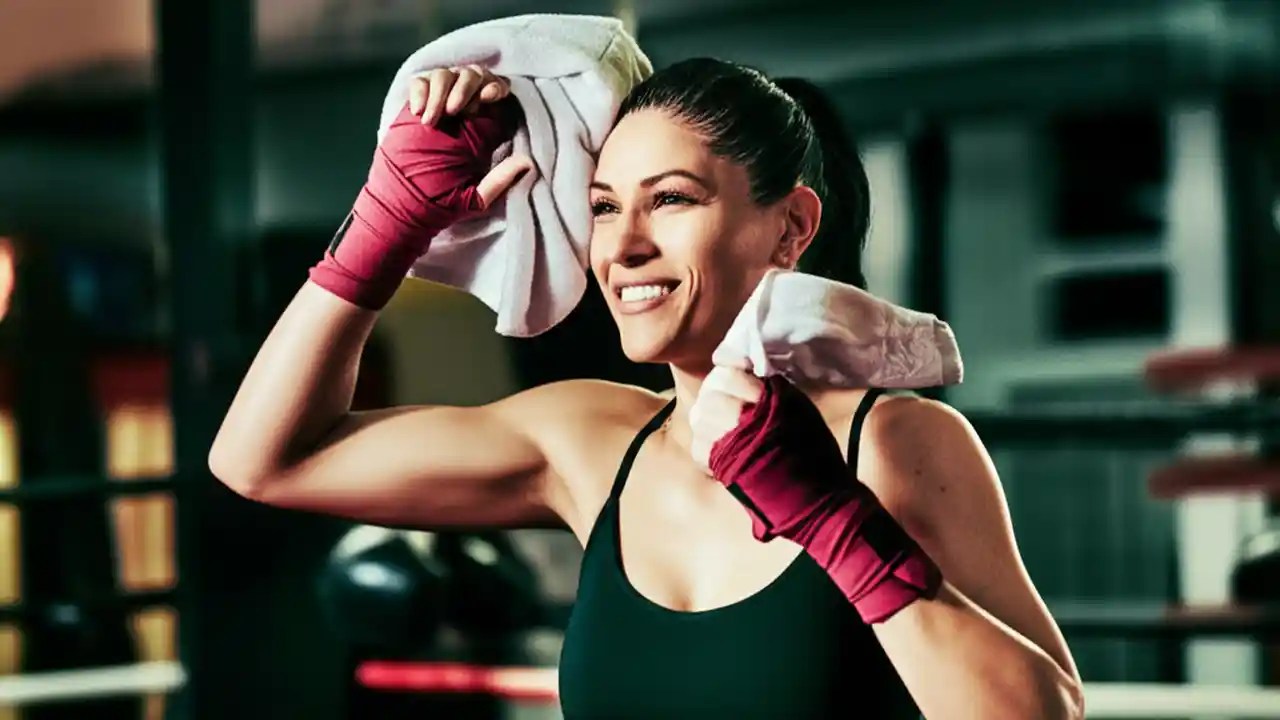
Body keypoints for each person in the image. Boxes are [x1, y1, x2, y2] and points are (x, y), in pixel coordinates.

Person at [210, 57, 1084, 719]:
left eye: (670, 200)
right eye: (601, 205)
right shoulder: (593, 443)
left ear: (790, 228)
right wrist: (383, 229)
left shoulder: (892, 442)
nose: (623, 246)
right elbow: (264, 461)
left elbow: (1044, 714)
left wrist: (832, 522)